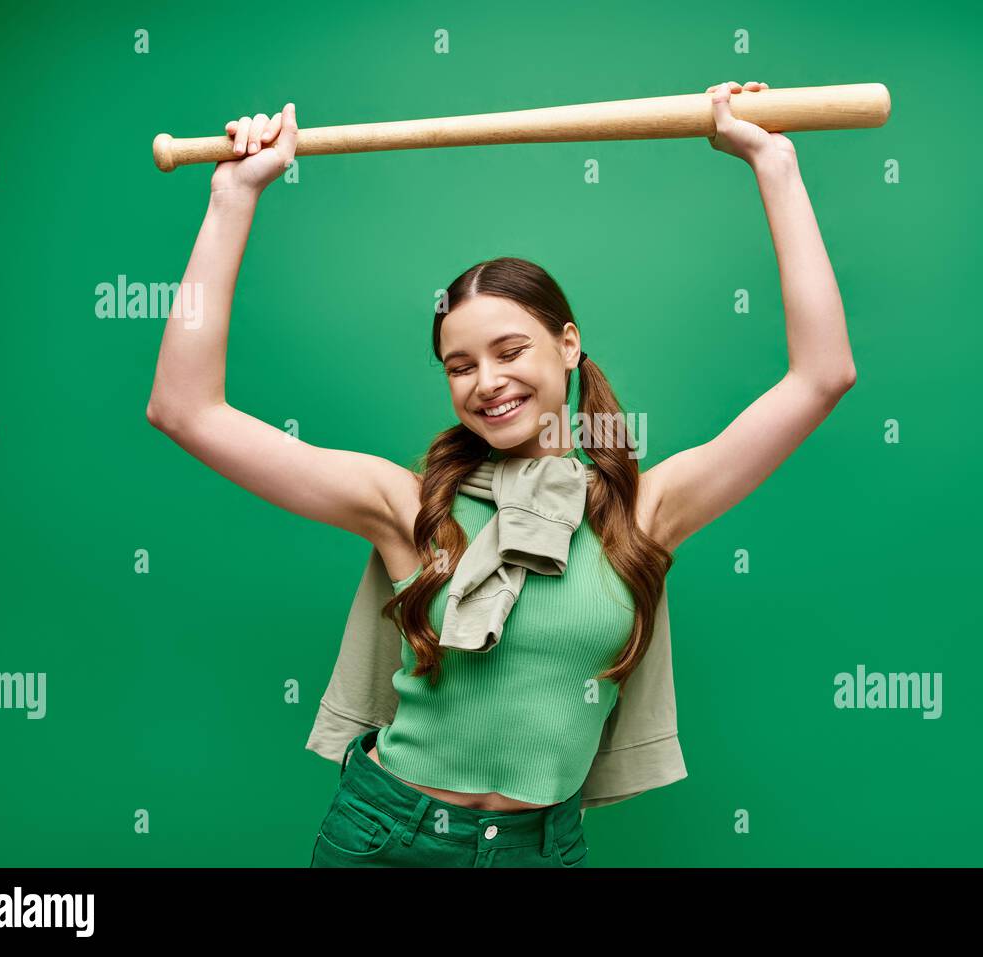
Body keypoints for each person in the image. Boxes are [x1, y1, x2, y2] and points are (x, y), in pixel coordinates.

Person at [146, 81, 857, 867]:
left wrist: (771, 160)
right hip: (388, 838)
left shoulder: (646, 509)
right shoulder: (405, 504)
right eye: (460, 365)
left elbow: (820, 375)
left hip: (539, 850)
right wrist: (232, 196)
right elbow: (187, 409)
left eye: (510, 350)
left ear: (568, 344)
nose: (486, 381)